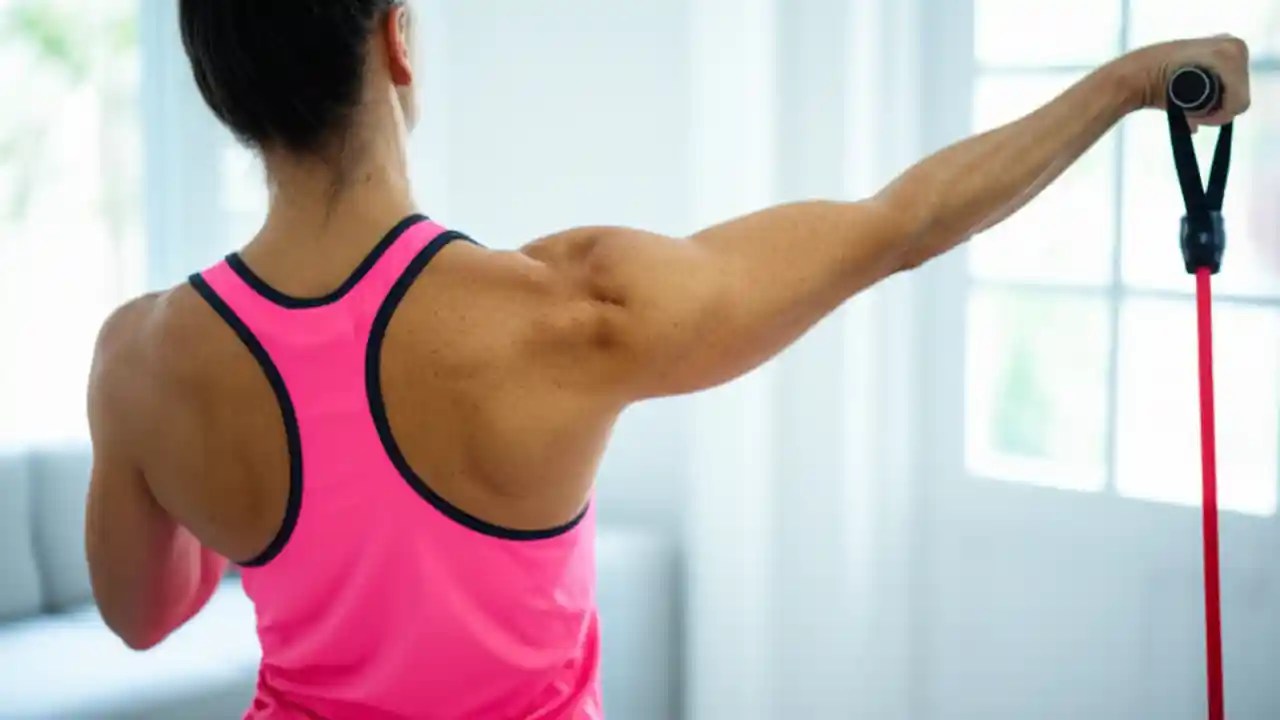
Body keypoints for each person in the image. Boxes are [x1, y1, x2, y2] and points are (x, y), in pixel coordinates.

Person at [84, 1, 1252, 717]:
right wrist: (1124, 80)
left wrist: (248, 498)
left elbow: (146, 614)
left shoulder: (138, 359)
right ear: (398, 44)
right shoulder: (569, 311)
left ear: (224, 94)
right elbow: (900, 222)